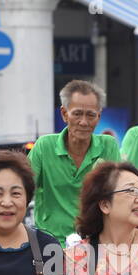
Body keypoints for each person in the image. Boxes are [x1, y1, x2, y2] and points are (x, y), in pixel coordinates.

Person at [28, 80, 121, 242]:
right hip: (51, 244)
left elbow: (119, 195)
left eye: (91, 115)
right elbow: (24, 190)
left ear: (99, 117)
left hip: (96, 242)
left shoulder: (108, 145)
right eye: (77, 114)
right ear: (64, 114)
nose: (84, 122)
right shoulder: (44, 146)